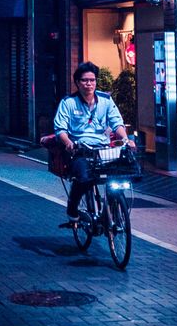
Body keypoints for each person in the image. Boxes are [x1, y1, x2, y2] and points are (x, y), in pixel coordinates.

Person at [53, 60, 130, 227]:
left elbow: (117, 123)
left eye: (92, 80)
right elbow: (61, 129)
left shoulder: (106, 100)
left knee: (120, 173)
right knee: (84, 178)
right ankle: (72, 208)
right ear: (77, 83)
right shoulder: (68, 102)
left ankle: (113, 206)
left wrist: (125, 139)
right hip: (80, 150)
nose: (89, 84)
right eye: (85, 80)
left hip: (103, 149)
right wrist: (68, 142)